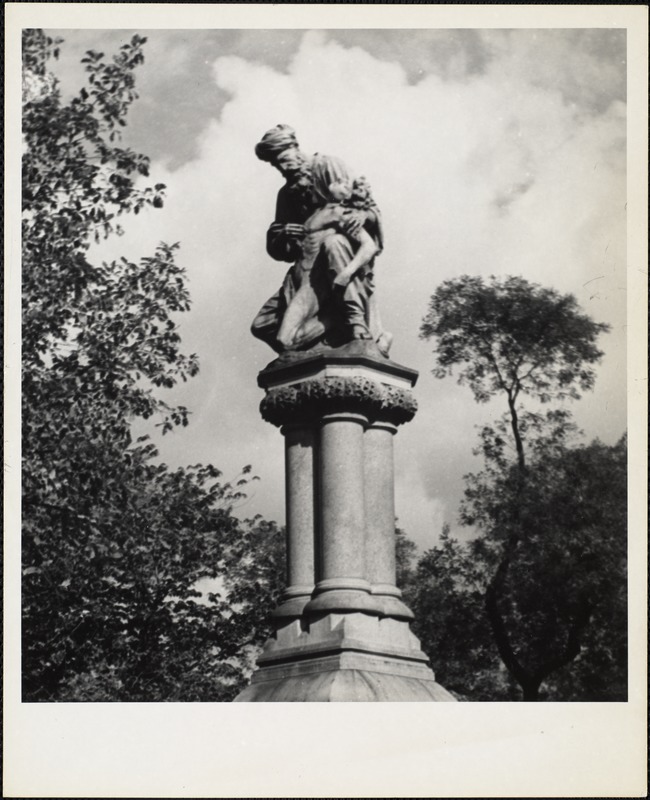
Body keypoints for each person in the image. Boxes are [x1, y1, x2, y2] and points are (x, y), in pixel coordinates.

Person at [251, 124, 391, 355]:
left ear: (295, 148)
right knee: (263, 324)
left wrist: (362, 215)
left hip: (338, 257)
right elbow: (281, 250)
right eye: (276, 165)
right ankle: (328, 330)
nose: (282, 168)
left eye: (284, 159)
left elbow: (363, 207)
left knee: (333, 242)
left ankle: (349, 324)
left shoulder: (328, 167)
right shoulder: (287, 193)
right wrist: (284, 235)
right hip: (304, 270)